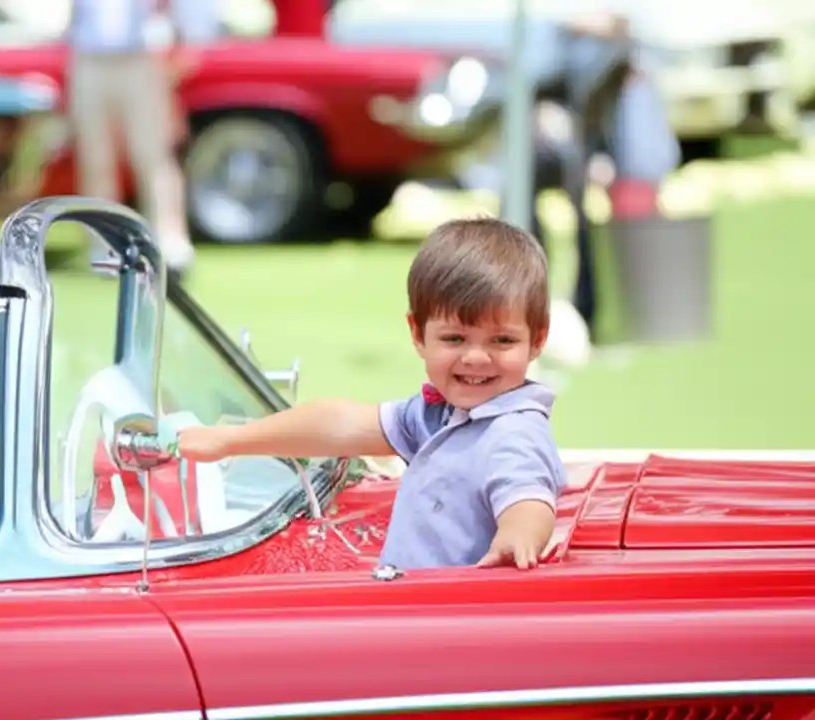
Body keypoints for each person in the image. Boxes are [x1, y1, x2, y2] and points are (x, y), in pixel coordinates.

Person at [177, 217, 568, 570]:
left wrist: (518, 536)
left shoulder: (512, 432)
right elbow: (342, 424)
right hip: (415, 613)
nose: (477, 357)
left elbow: (527, 496)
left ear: (537, 341)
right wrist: (229, 440)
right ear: (418, 334)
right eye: (454, 338)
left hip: (451, 625)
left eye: (502, 340)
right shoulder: (441, 414)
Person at [67, 0, 210, 275]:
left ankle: (169, 240)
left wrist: (183, 44)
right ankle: (104, 245)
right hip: (89, 57)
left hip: (140, 57)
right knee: (95, 158)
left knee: (153, 154)